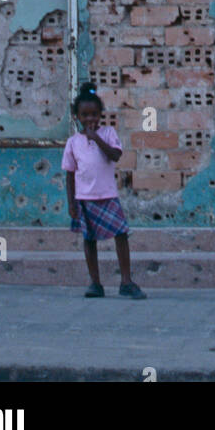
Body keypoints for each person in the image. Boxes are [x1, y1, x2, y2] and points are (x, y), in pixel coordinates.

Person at [63, 82, 146, 298]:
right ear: (77, 117)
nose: (90, 119)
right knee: (88, 240)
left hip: (107, 195)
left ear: (100, 115)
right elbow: (70, 174)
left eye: (94, 115)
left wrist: (96, 138)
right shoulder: (72, 142)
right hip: (84, 198)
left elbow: (115, 156)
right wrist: (71, 202)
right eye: (85, 115)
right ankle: (95, 283)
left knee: (121, 235)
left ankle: (126, 281)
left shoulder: (108, 134)